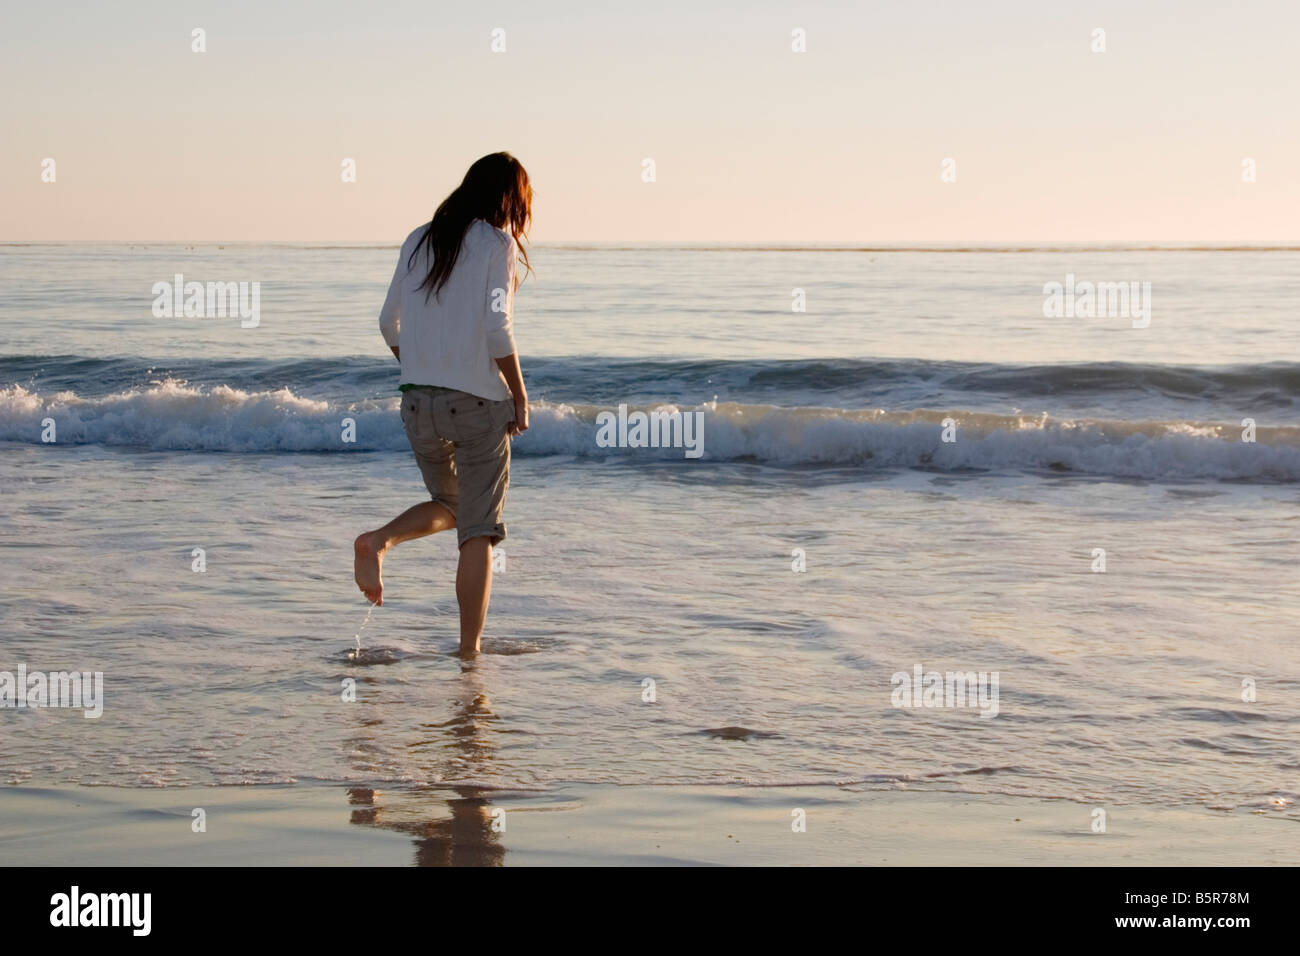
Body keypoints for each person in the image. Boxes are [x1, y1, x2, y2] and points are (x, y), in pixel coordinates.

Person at [354, 152, 532, 656]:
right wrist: (519, 395)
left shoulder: (419, 237)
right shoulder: (497, 244)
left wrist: (421, 368)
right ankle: (469, 654)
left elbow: (388, 323)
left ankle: (380, 540)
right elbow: (498, 329)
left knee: (451, 507)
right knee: (478, 531)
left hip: (417, 405)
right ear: (511, 200)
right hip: (477, 407)